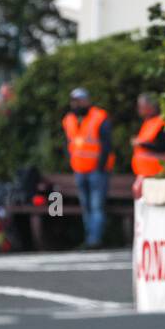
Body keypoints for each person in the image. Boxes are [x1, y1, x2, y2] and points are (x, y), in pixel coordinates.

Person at [61, 87, 114, 249]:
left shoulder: (99, 117)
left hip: (96, 171)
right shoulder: (69, 119)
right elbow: (69, 144)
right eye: (74, 101)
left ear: (87, 100)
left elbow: (106, 146)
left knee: (96, 206)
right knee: (86, 207)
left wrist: (100, 167)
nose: (76, 104)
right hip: (79, 170)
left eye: (80, 100)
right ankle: (90, 238)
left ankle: (94, 240)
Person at [130, 94, 165, 178]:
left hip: (156, 172)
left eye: (141, 106)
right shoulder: (148, 122)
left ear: (150, 106)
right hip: (145, 172)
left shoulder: (161, 123)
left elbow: (163, 147)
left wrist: (140, 144)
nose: (139, 109)